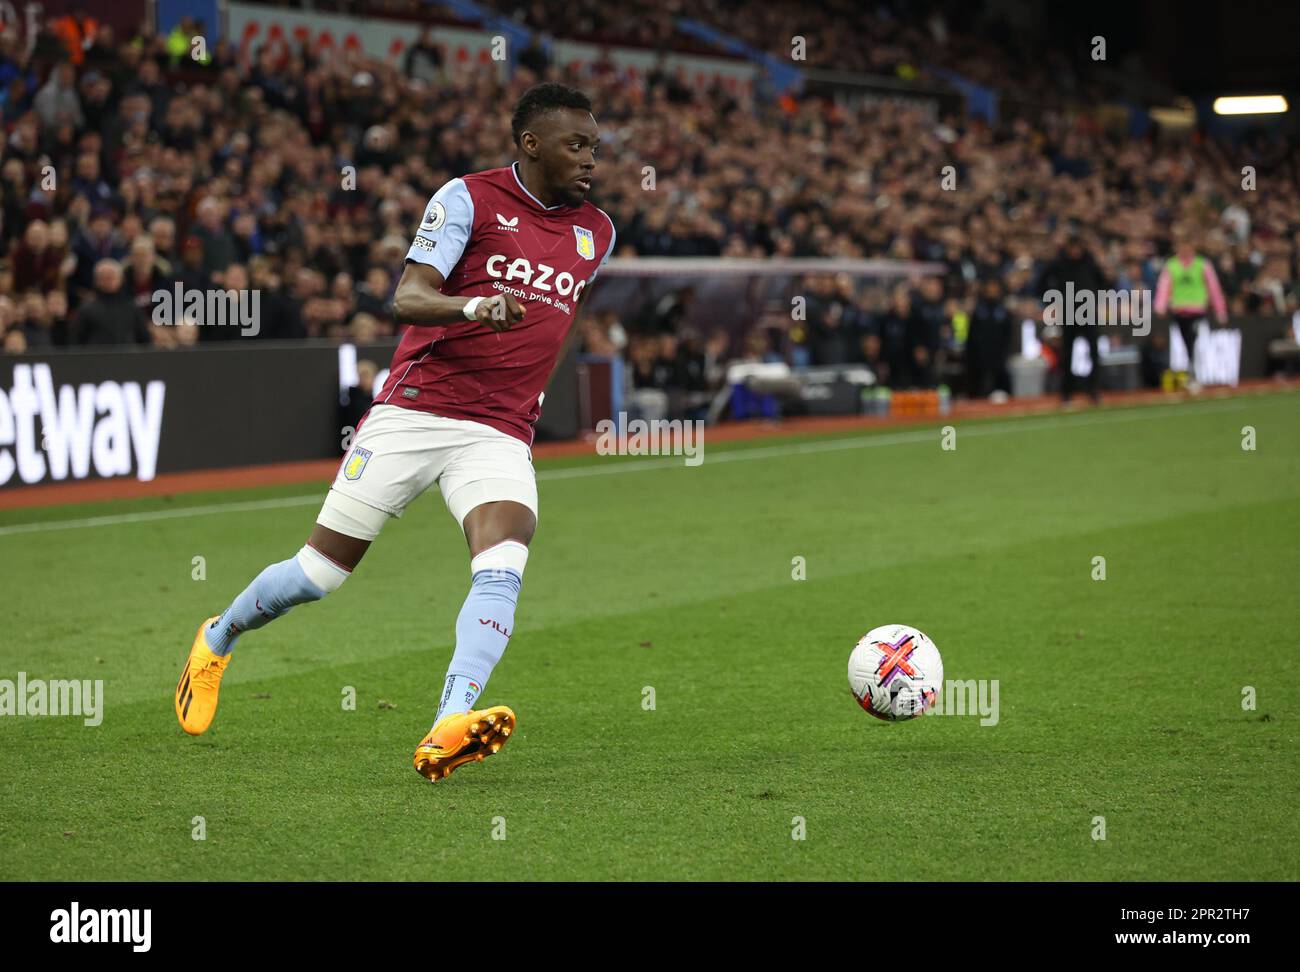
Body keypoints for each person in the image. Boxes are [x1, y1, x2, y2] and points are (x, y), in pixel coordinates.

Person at [175, 83, 616, 783]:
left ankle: (449, 719)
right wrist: (476, 304)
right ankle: (217, 637)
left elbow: (560, 321)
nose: (592, 158)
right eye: (577, 144)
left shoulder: (599, 229)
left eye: (595, 145)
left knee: (504, 556)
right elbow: (407, 295)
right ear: (530, 143)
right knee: (318, 575)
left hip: (498, 428)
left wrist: (529, 394)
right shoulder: (468, 198)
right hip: (416, 409)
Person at [1153, 231, 1229, 393]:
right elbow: (1164, 286)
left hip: (1197, 311)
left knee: (1194, 341)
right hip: (1179, 311)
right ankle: (1190, 375)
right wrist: (1160, 305)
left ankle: (1194, 375)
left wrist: (1220, 310)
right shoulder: (1172, 265)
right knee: (1185, 344)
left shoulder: (1202, 264)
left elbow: (1214, 288)